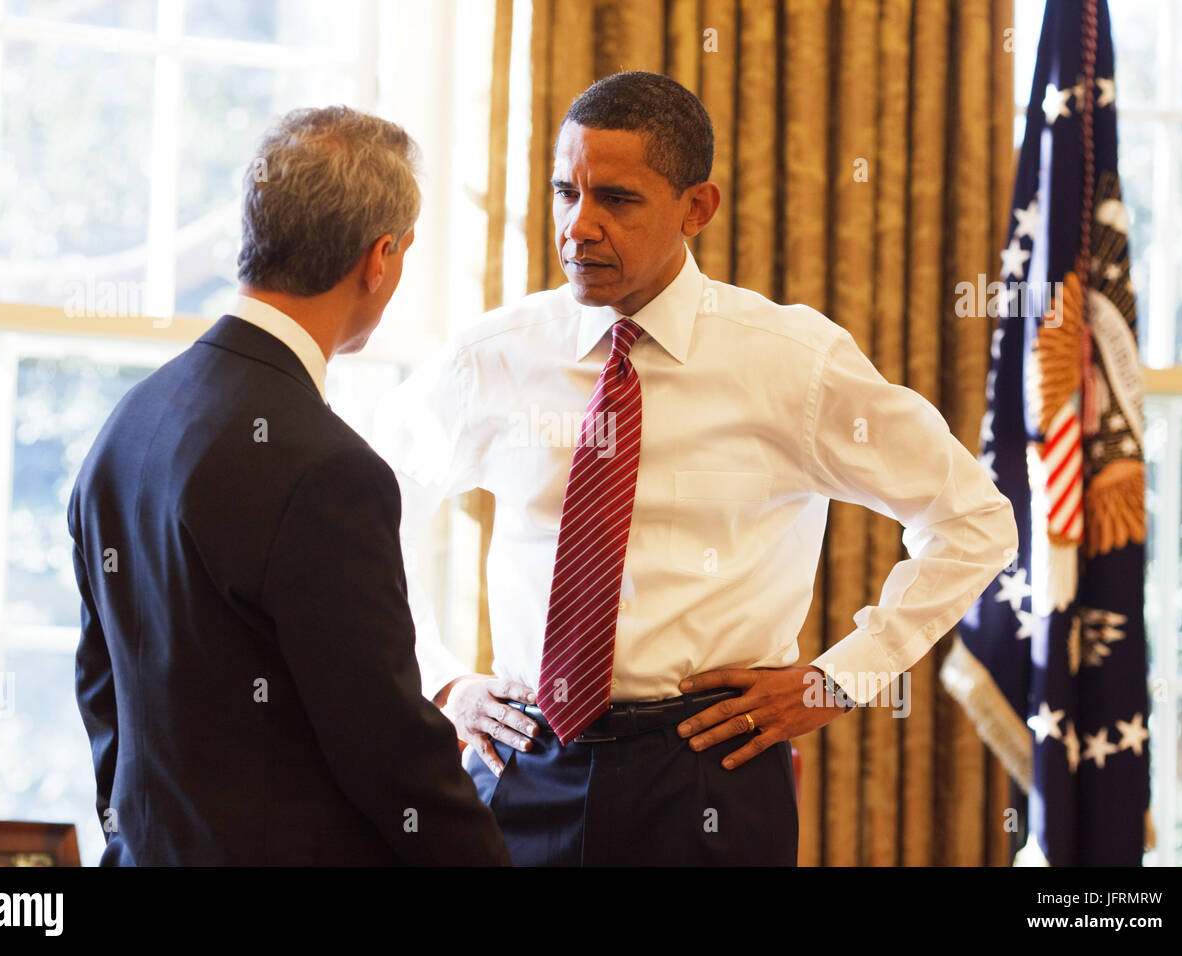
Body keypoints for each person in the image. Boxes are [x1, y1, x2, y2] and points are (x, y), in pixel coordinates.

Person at [373, 71, 1018, 866]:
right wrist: (441, 681)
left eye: (617, 198)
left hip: (708, 772)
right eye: (565, 192)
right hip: (521, 761)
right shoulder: (495, 357)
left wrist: (838, 679)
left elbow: (975, 521)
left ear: (697, 208)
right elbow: (363, 516)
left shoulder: (792, 364)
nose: (580, 226)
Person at [69, 105, 510, 866]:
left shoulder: (127, 425)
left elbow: (102, 691)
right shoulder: (330, 472)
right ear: (379, 259)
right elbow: (392, 756)